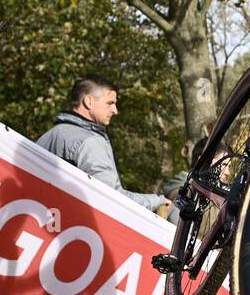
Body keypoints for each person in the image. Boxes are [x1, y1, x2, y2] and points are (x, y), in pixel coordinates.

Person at [37, 75, 171, 215]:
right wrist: (156, 202)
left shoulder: (49, 135)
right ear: (89, 101)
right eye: (110, 103)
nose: (115, 110)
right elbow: (110, 198)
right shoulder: (90, 142)